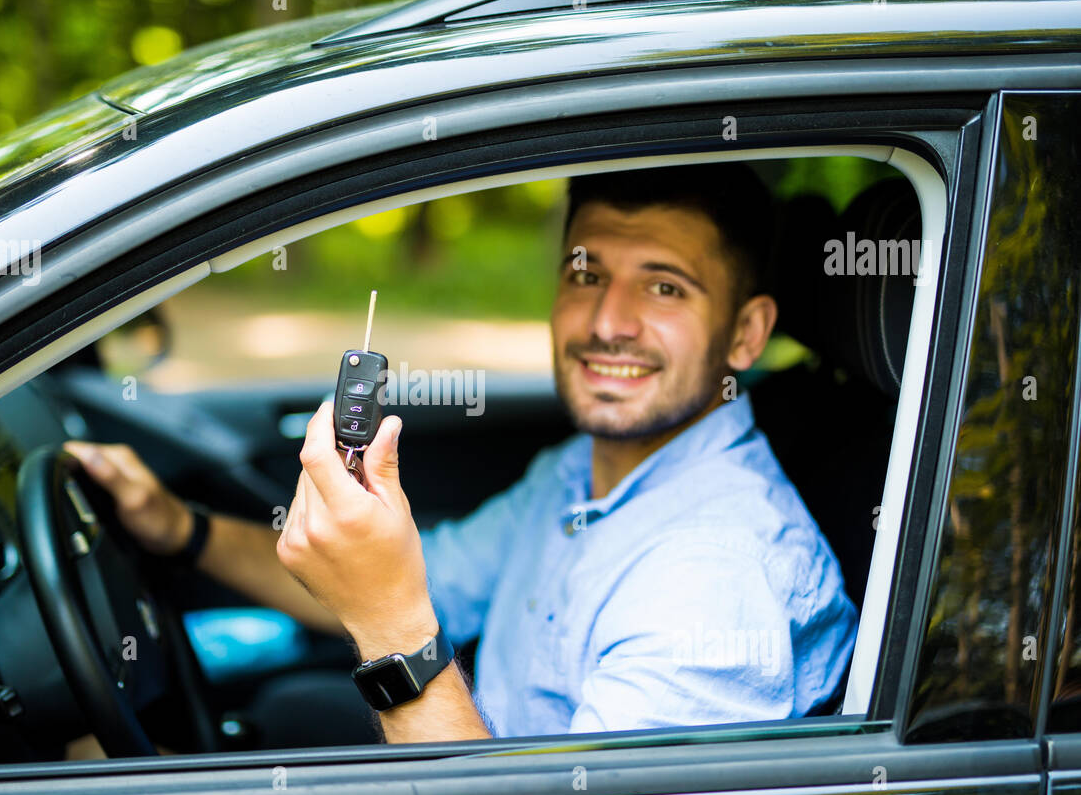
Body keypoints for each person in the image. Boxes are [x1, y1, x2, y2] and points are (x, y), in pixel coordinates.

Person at [65, 162, 859, 747]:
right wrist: (181, 530)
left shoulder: (716, 580)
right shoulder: (580, 473)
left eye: (665, 288)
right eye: (585, 273)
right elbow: (428, 576)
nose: (608, 320)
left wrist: (390, 626)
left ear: (747, 333)